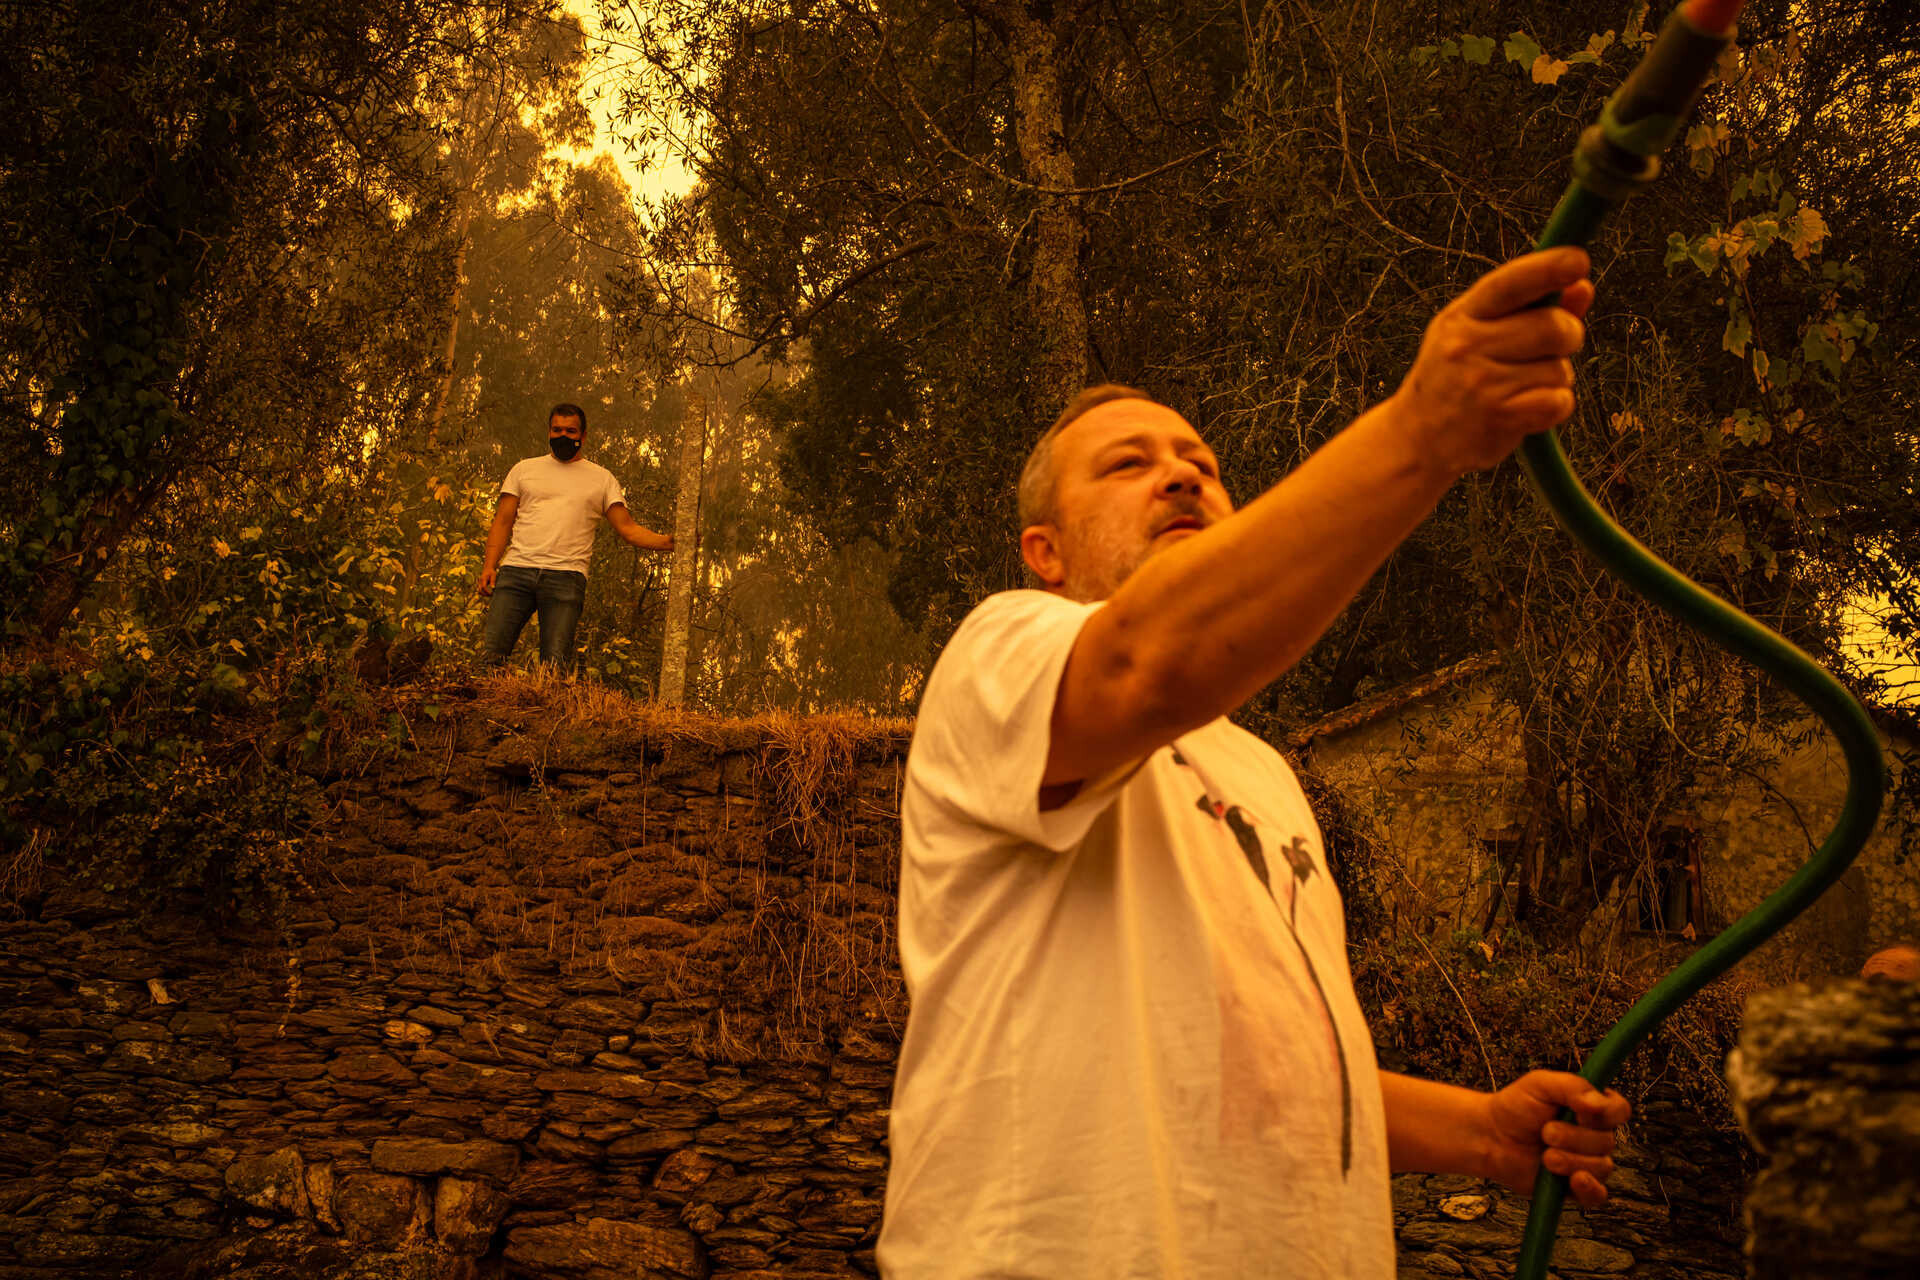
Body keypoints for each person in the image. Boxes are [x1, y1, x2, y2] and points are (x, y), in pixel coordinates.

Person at [880, 247, 1633, 1277]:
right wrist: (1421, 432)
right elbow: (1148, 662)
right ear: (1043, 551)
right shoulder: (999, 656)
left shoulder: (1265, 775)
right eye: (1126, 464)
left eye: (1200, 459)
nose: (1181, 472)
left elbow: (1267, 1063)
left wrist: (1480, 1132)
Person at [477, 403, 671, 673]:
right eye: (557, 430)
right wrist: (489, 566)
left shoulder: (602, 479)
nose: (563, 436)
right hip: (516, 571)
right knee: (491, 658)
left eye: (570, 431)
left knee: (553, 667)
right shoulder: (524, 470)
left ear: (583, 435)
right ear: (549, 432)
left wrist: (670, 542)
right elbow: (502, 521)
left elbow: (627, 528)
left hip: (566, 577)